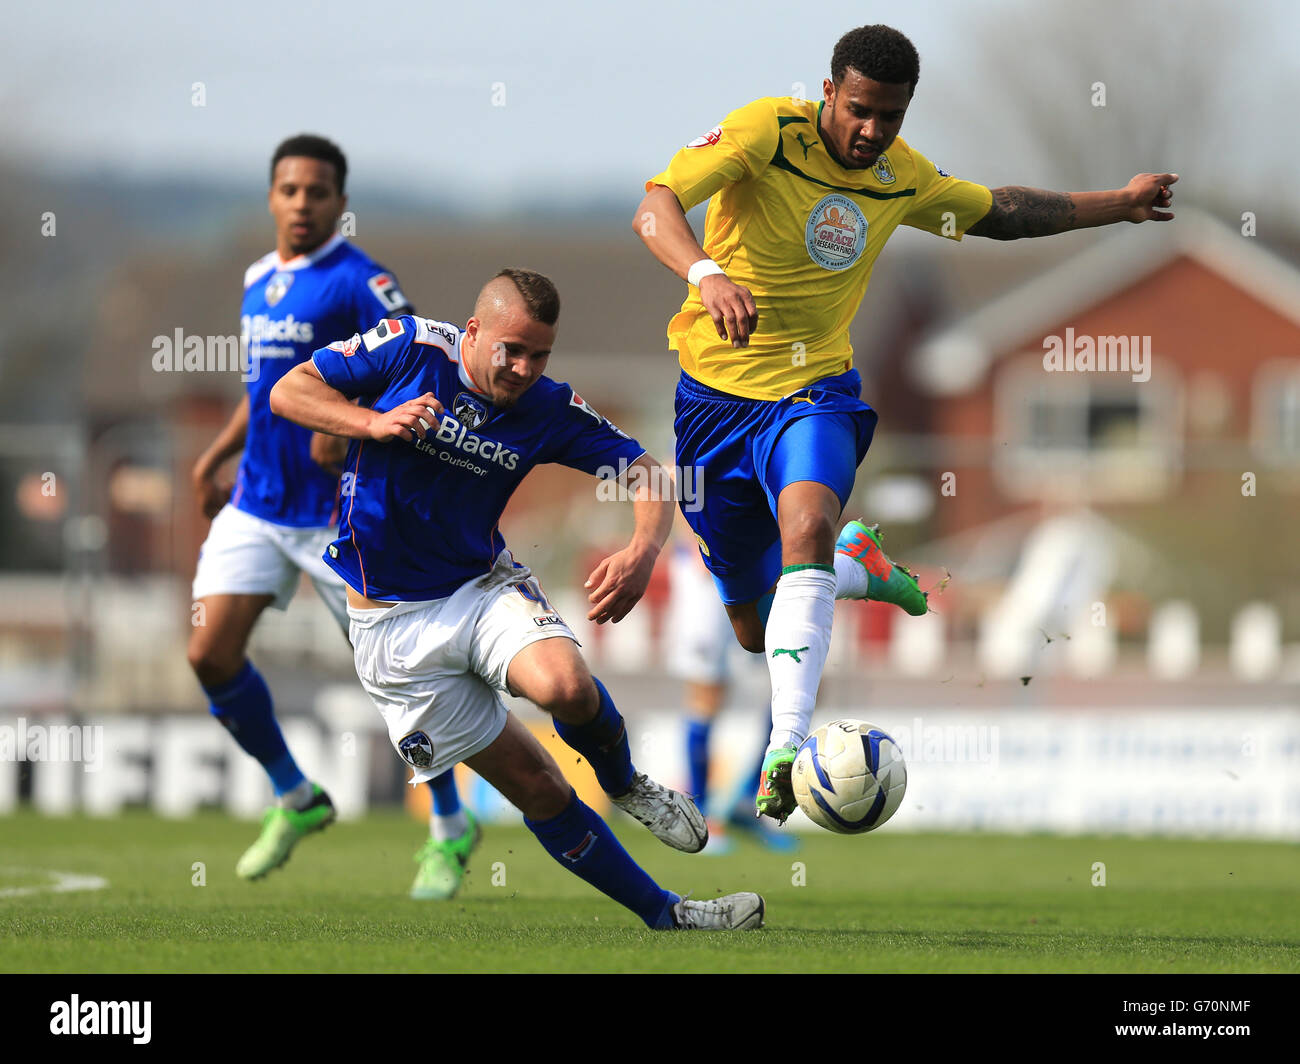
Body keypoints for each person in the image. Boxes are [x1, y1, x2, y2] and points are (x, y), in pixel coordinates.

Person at [633, 23, 1177, 823]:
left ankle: (787, 747)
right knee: (751, 628)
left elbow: (1005, 213)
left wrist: (1120, 205)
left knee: (807, 527)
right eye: (858, 111)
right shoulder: (762, 134)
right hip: (711, 406)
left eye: (890, 116)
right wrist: (706, 273)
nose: (871, 131)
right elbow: (656, 205)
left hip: (813, 391)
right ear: (828, 93)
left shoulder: (899, 176)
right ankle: (863, 570)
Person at [268, 268, 763, 931]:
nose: (526, 368)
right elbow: (288, 390)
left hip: (479, 587)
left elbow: (647, 473)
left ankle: (625, 784)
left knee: (565, 686)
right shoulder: (410, 347)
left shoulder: (547, 408)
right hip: (391, 630)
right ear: (473, 332)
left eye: (541, 355)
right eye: (513, 350)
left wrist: (644, 552)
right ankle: (666, 915)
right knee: (540, 788)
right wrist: (373, 421)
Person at [188, 133, 475, 897]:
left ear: (340, 204)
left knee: (399, 685)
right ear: (272, 198)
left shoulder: (362, 282)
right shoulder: (258, 280)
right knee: (208, 656)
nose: (303, 203)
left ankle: (448, 827)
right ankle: (296, 795)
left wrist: (345, 423)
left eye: (318, 192)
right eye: (290, 190)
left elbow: (422, 363)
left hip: (335, 520)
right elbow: (267, 391)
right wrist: (217, 454)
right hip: (255, 501)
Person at [667, 533, 796, 854]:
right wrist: (696, 537)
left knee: (799, 675)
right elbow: (676, 483)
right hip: (710, 564)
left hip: (765, 561)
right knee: (708, 692)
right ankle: (701, 815)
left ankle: (749, 798)